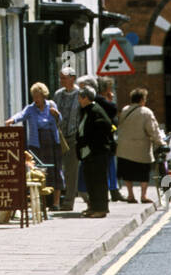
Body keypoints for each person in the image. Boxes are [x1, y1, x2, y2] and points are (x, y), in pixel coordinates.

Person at [7, 83, 65, 212]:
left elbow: (60, 120)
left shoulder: (51, 105)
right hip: (37, 144)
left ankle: (56, 203)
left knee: (55, 171)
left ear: (43, 96)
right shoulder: (31, 108)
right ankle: (41, 203)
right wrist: (12, 120)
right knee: (39, 172)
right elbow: (21, 115)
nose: (36, 99)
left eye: (38, 96)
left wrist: (56, 114)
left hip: (52, 143)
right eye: (34, 96)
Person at [115, 88, 164, 204]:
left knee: (127, 172)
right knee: (143, 173)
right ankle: (143, 195)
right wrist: (161, 142)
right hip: (140, 149)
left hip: (124, 148)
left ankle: (130, 195)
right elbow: (153, 130)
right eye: (145, 99)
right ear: (142, 99)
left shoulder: (125, 110)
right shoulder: (146, 112)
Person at [76, 86, 114, 217]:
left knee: (98, 181)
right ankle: (93, 206)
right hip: (88, 153)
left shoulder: (95, 110)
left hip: (97, 152)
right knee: (90, 180)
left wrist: (88, 142)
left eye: (80, 98)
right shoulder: (87, 110)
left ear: (85, 98)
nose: (79, 100)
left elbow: (104, 127)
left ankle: (101, 209)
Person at [53, 68, 82, 211]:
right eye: (60, 78)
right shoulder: (58, 95)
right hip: (59, 136)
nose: (61, 81)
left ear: (73, 78)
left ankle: (69, 201)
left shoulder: (80, 94)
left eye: (64, 78)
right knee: (58, 169)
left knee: (71, 170)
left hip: (73, 136)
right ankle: (56, 200)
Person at [95, 77, 124, 203]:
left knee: (106, 166)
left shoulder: (96, 101)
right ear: (106, 89)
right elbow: (114, 116)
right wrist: (110, 101)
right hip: (106, 139)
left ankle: (112, 190)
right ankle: (113, 190)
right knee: (109, 165)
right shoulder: (104, 102)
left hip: (101, 139)